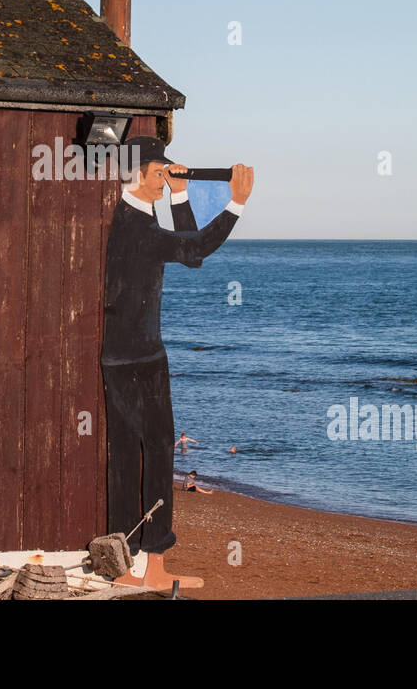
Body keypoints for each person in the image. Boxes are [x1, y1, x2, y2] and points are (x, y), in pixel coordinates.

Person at [101, 135, 254, 589]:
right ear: (137, 174)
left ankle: (130, 566)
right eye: (158, 173)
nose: (163, 178)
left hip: (120, 353)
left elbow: (186, 250)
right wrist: (236, 204)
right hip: (143, 356)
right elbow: (194, 250)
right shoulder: (137, 227)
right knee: (158, 450)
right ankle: (150, 565)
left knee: (127, 456)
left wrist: (183, 194)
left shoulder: (132, 218)